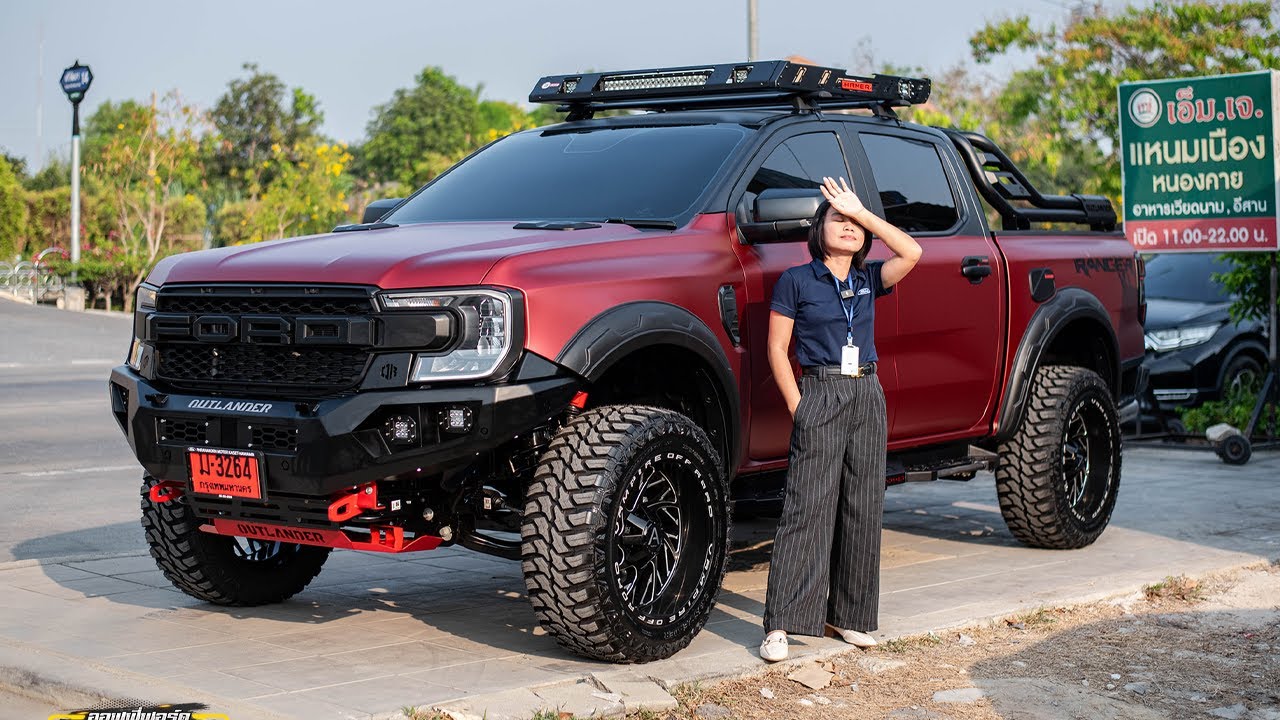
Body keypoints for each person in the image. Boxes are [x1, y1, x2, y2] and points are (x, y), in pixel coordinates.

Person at [759, 175, 922, 662]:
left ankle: (849, 617)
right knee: (806, 508)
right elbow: (776, 347)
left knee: (862, 506)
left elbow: (911, 253)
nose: (849, 227)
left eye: (855, 224)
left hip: (867, 393)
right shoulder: (797, 280)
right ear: (818, 229)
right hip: (821, 390)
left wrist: (864, 212)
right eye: (838, 219)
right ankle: (781, 624)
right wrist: (796, 404)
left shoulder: (869, 279)